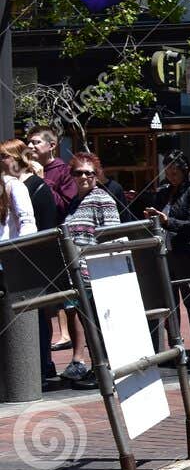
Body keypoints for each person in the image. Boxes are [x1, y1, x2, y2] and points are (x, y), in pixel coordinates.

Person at [59, 153, 121, 386]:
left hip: (96, 274)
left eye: (89, 172)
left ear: (97, 174)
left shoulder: (102, 199)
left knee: (100, 325)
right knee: (90, 324)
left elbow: (113, 238)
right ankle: (99, 369)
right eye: (78, 172)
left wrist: (103, 270)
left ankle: (106, 373)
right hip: (78, 275)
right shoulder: (75, 202)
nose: (84, 176)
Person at [4, 139, 59, 384]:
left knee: (30, 317)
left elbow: (29, 224)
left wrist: (18, 252)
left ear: (17, 159)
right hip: (6, 260)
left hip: (17, 259)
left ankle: (39, 367)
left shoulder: (20, 186)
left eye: (4, 156)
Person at [145, 153, 190, 364]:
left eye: (175, 171)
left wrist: (167, 221)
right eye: (168, 171)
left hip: (185, 252)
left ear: (186, 171)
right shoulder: (163, 191)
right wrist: (153, 216)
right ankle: (176, 347)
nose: (171, 175)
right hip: (165, 252)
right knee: (170, 303)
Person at [24, 126, 73, 214]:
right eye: (29, 142)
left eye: (36, 142)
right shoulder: (25, 170)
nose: (29, 146)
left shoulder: (65, 172)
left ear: (52, 145)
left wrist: (42, 182)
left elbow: (65, 207)